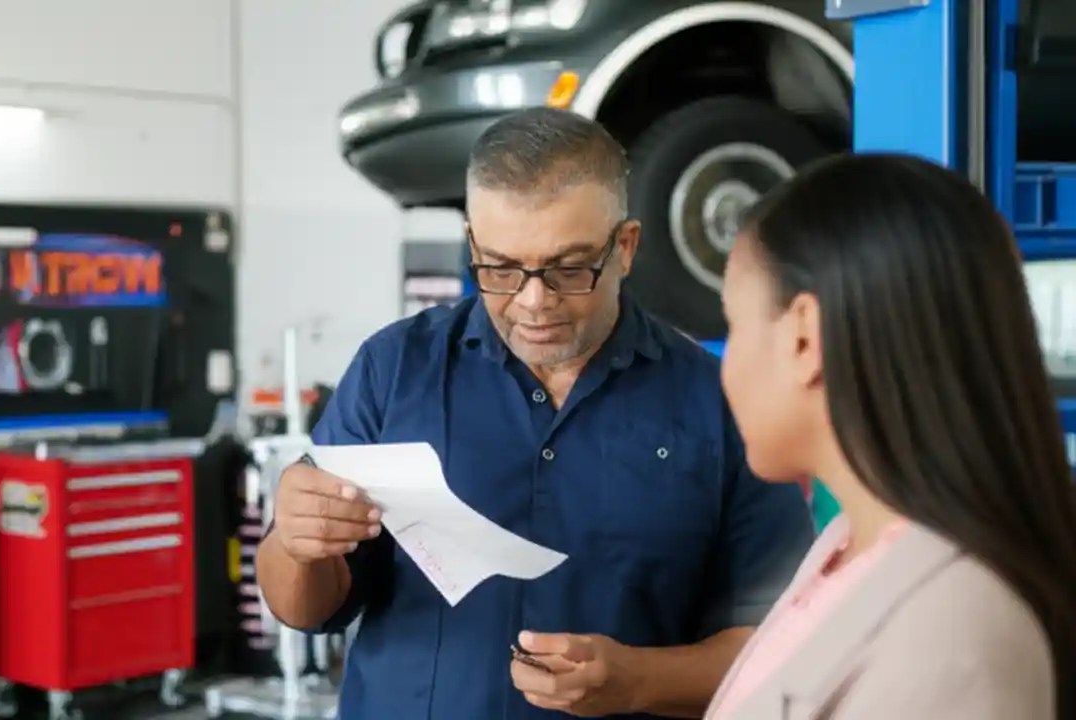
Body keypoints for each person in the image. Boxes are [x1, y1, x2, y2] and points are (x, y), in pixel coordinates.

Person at [255, 106, 815, 719]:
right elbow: (305, 608)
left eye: (569, 269)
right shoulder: (393, 371)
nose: (533, 301)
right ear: (473, 244)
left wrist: (637, 681)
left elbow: (778, 652)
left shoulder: (721, 404)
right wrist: (295, 544)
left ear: (625, 248)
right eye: (499, 268)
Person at [706, 153, 1076, 719]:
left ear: (805, 338)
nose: (725, 365)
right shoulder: (845, 549)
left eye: (734, 325)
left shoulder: (952, 635)